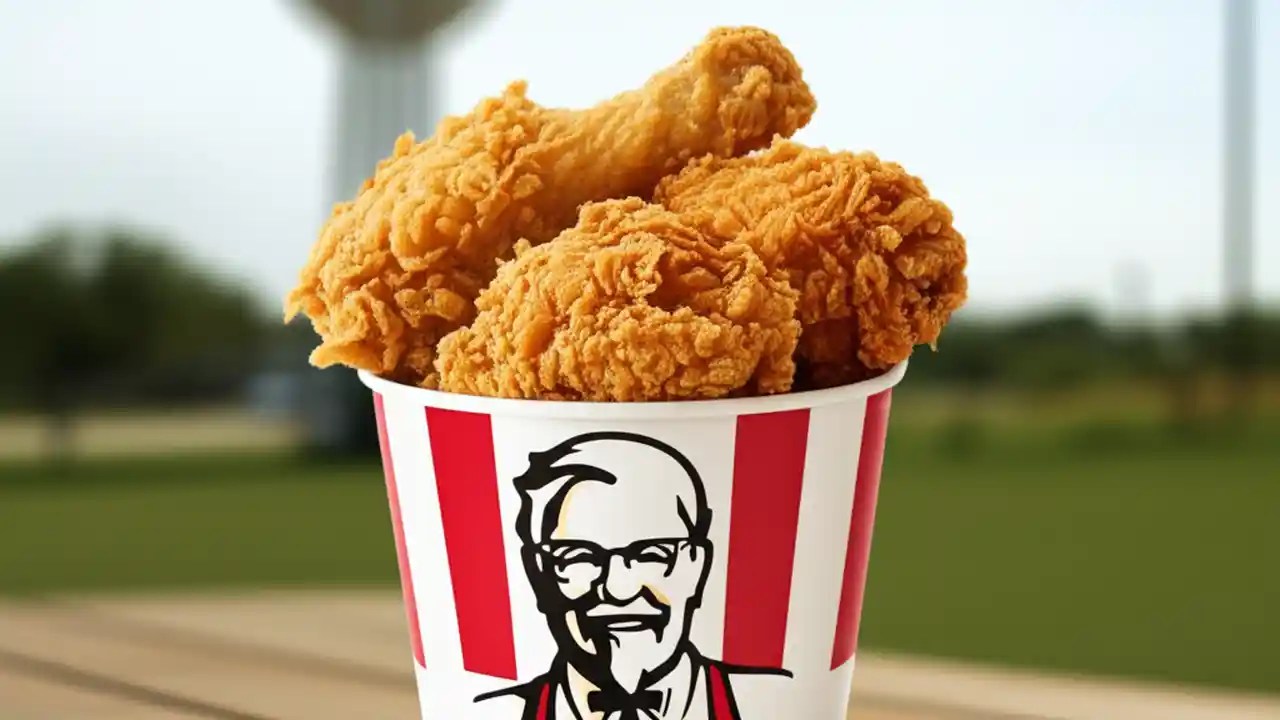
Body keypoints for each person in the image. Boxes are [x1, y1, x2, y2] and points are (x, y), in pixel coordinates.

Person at [477, 432, 788, 720]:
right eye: (579, 557)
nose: (619, 588)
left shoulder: (777, 700)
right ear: (537, 573)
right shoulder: (489, 712)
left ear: (697, 566)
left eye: (651, 554)